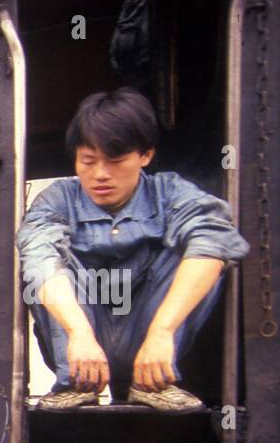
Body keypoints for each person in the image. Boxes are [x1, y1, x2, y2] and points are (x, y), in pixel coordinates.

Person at [17, 88, 249, 411]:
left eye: (115, 161)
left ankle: (153, 383)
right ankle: (76, 382)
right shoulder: (57, 200)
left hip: (151, 336)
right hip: (81, 340)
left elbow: (216, 238)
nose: (100, 174)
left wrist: (162, 332)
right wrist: (79, 332)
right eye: (88, 161)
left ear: (146, 156)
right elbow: (39, 257)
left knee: (203, 249)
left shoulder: (169, 192)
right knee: (43, 262)